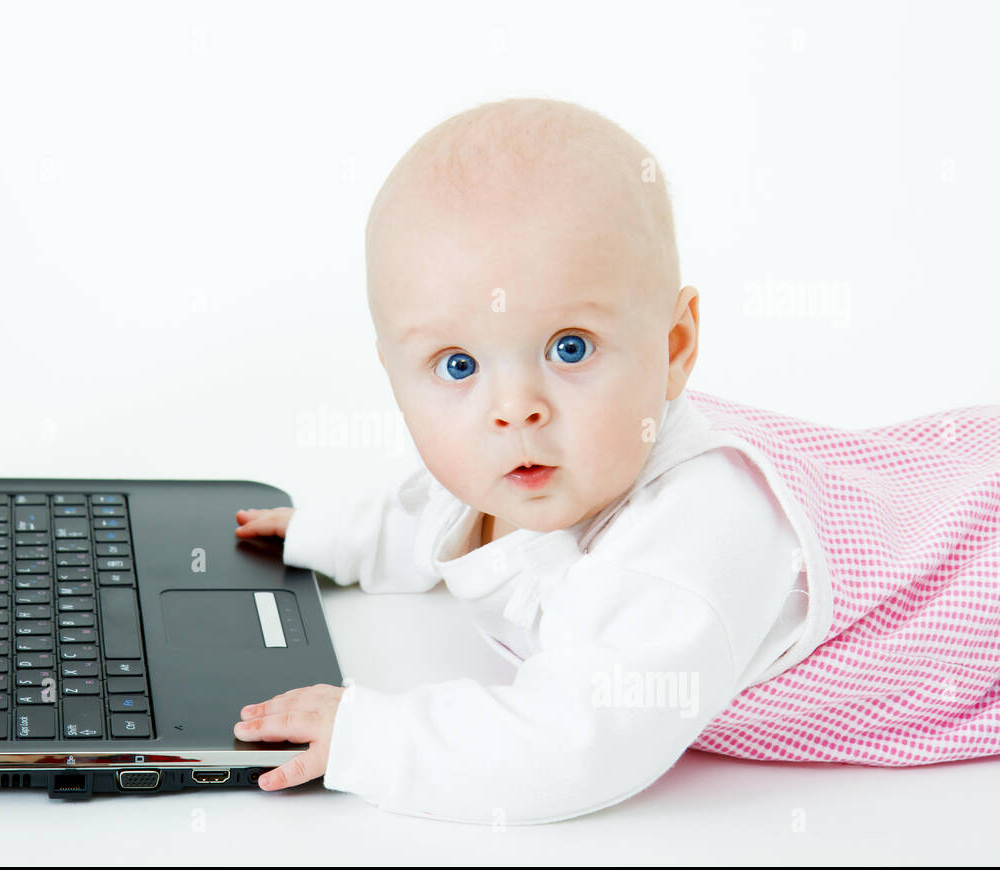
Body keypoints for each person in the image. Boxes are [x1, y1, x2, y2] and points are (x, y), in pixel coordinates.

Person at [232, 97, 1000, 825]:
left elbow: (573, 744)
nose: (514, 407)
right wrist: (318, 539)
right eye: (457, 365)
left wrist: (367, 738)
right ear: (394, 373)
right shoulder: (521, 456)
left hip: (972, 594)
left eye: (570, 349)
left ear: (674, 348)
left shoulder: (688, 543)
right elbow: (429, 509)